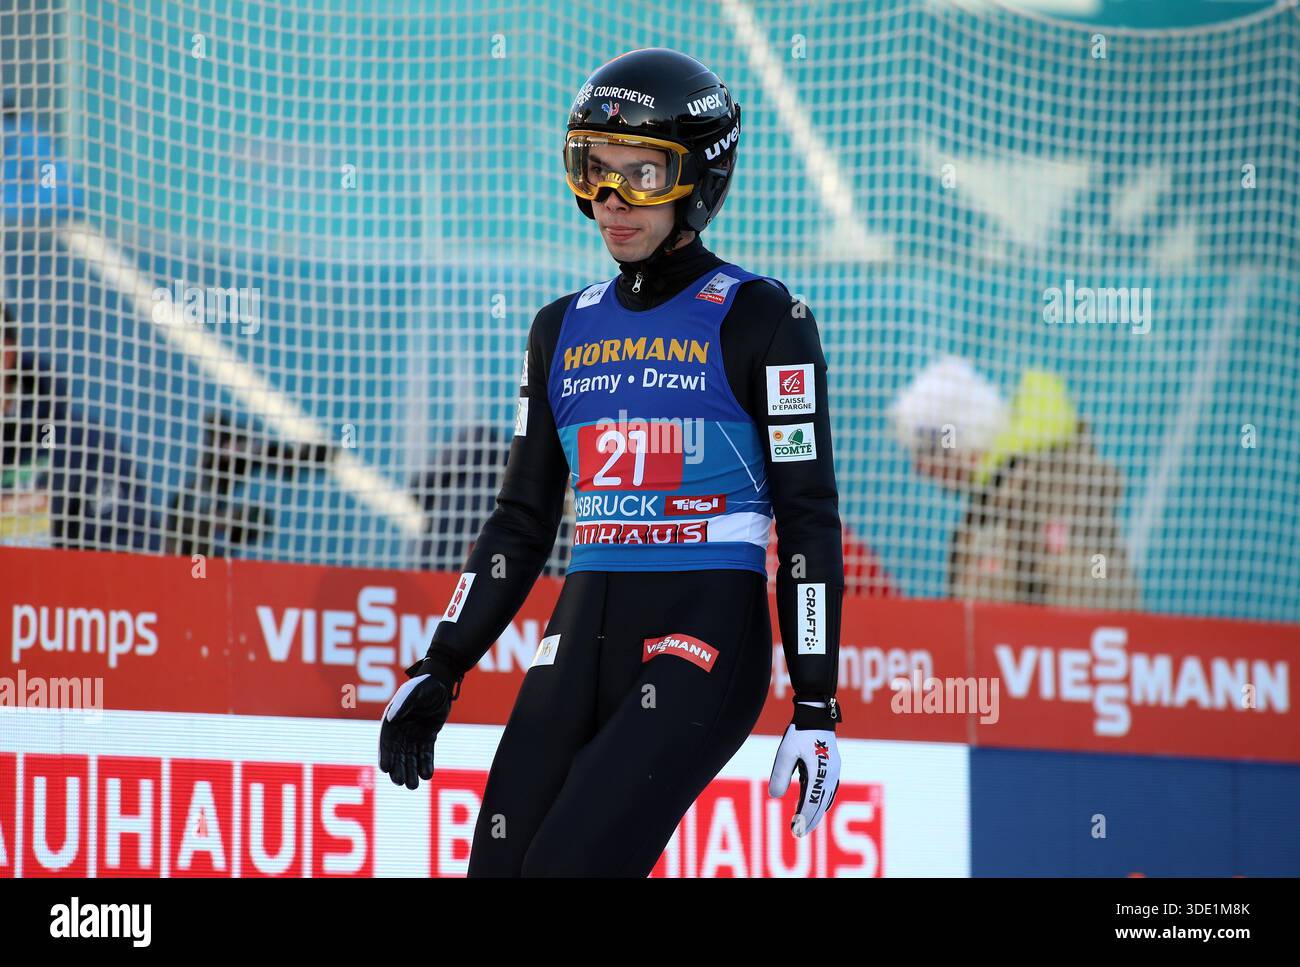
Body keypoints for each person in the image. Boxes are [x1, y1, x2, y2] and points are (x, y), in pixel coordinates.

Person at [380, 48, 846, 876]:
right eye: (594, 170)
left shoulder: (765, 318)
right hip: (583, 621)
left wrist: (815, 704)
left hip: (706, 631)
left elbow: (808, 516)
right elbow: (520, 521)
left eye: (642, 174)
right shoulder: (560, 327)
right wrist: (442, 662)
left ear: (701, 179)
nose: (610, 200)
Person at [890, 356, 1140, 609]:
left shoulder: (1049, 482)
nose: (920, 469)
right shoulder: (999, 493)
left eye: (925, 452)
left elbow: (1084, 600)